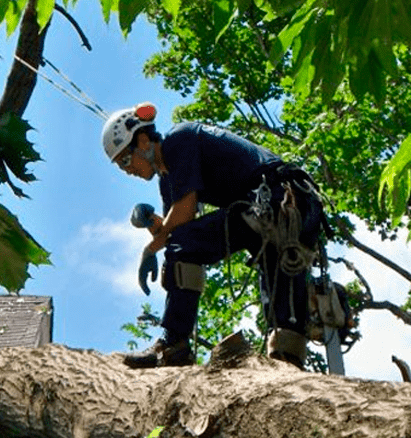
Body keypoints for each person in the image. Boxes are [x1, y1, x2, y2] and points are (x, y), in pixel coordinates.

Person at [103, 103, 326, 369]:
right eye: (120, 167)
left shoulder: (178, 140)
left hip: (277, 198)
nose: (128, 170)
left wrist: (151, 249)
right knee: (277, 283)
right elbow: (177, 226)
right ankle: (286, 361)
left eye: (126, 160)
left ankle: (174, 343)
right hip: (279, 205)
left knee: (185, 244)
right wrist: (152, 224)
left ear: (142, 140)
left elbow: (183, 217)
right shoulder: (168, 180)